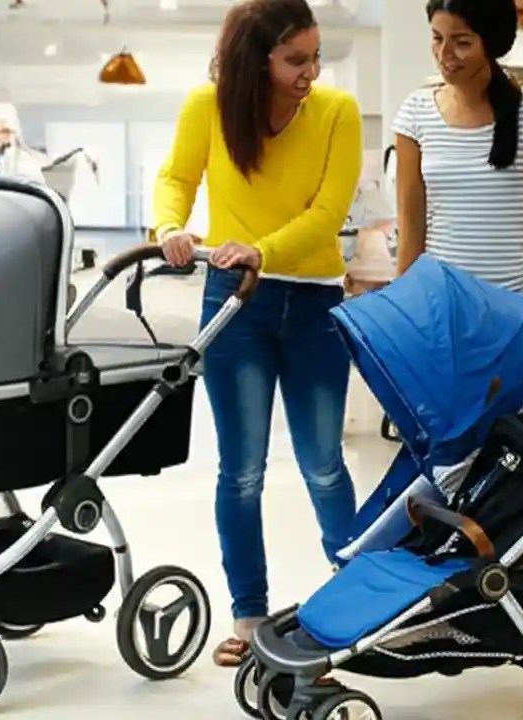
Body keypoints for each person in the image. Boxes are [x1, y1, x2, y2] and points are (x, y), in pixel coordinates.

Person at [152, 0, 363, 668]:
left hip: (312, 302)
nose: (310, 71)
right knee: (240, 470)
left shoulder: (336, 112)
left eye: (315, 57)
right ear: (257, 59)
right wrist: (169, 227)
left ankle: (357, 598)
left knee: (323, 463)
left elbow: (329, 212)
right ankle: (248, 615)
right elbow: (176, 177)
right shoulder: (206, 107)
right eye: (294, 60)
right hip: (234, 304)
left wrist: (260, 250)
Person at [392, 0, 523, 398]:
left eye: (461, 42)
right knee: (449, 452)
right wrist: (402, 323)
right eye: (437, 39)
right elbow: (411, 233)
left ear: (491, 42)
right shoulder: (416, 113)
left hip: (515, 316)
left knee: (515, 448)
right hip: (441, 317)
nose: (444, 55)